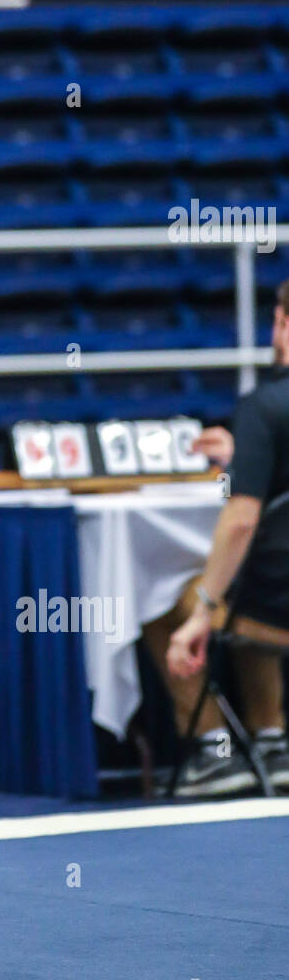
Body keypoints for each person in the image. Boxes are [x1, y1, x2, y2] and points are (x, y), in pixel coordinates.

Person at [148, 282, 289, 796]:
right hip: (273, 599)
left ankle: (213, 751)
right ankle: (273, 741)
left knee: (166, 601)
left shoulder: (265, 406)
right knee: (254, 583)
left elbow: (243, 521)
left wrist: (204, 608)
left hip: (274, 612)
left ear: (280, 325)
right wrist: (246, 453)